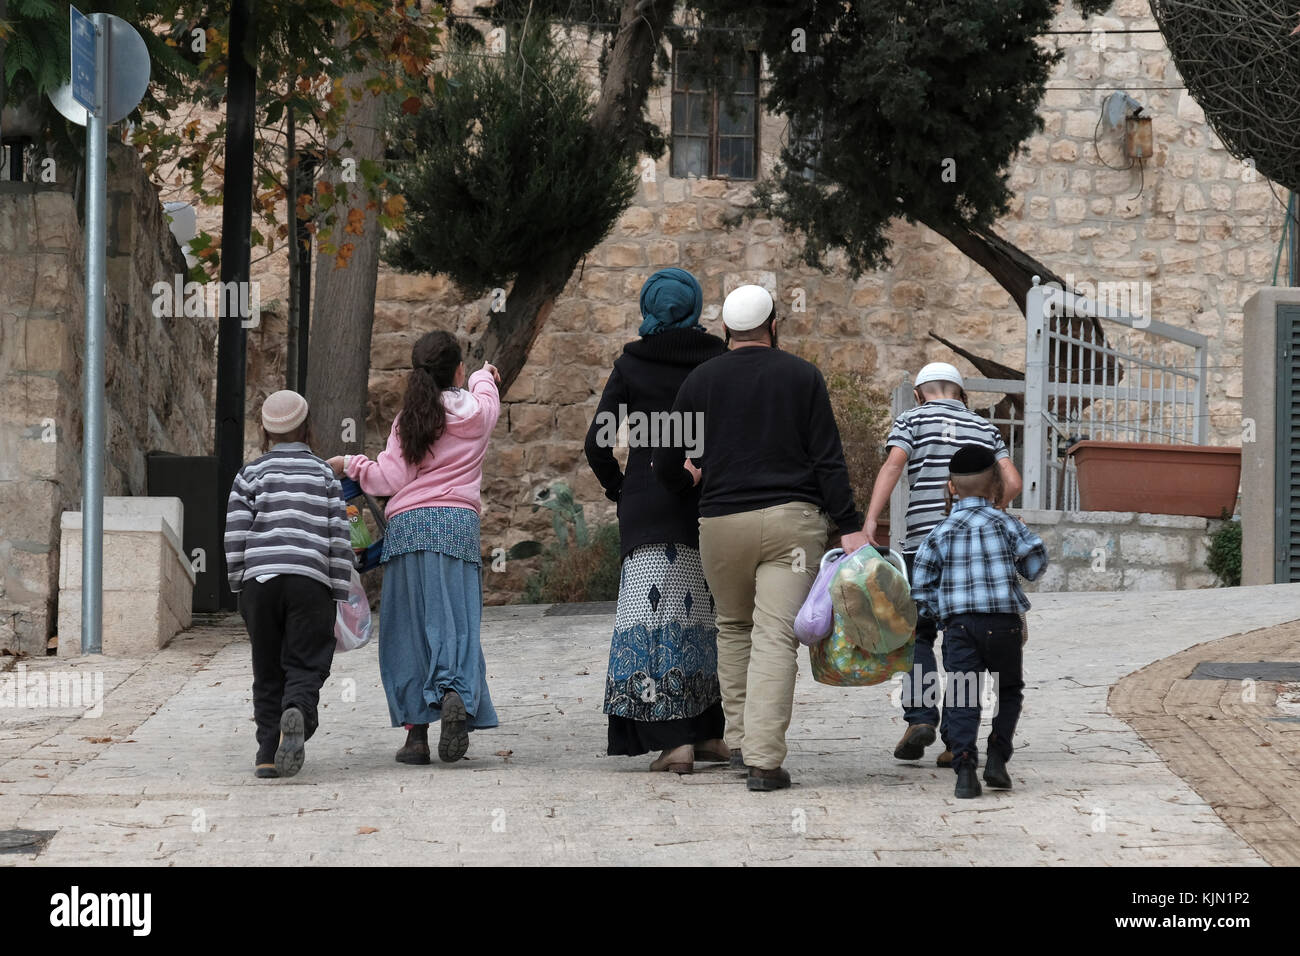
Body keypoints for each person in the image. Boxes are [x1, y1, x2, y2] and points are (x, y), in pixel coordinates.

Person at [653, 284, 871, 792]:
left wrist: (689, 480)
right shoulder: (802, 377)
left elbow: (666, 461)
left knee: (731, 627)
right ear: (774, 325)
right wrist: (849, 525)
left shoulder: (698, 382)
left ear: (726, 330)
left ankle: (743, 743)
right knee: (775, 635)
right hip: (793, 526)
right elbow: (827, 459)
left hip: (723, 525)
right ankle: (765, 763)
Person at [328, 331, 501, 765]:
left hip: (408, 527)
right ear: (458, 370)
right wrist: (485, 376)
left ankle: (416, 736)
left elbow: (388, 479)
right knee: (455, 623)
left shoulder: (411, 418)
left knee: (407, 630)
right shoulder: (479, 413)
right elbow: (486, 395)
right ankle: (454, 693)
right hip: (458, 526)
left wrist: (350, 464)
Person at [584, 268, 729, 774]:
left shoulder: (633, 362)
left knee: (652, 624)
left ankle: (675, 742)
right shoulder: (718, 359)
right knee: (703, 620)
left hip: (648, 505)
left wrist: (620, 488)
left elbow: (597, 442)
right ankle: (711, 732)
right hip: (709, 504)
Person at [863, 361, 1023, 767]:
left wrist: (869, 522)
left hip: (923, 546)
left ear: (919, 394)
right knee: (963, 639)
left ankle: (920, 717)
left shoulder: (911, 419)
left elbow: (893, 466)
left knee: (916, 635)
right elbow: (1014, 481)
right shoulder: (984, 428)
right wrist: (996, 509)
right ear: (962, 394)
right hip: (971, 551)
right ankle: (956, 742)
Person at [225, 390, 353, 779]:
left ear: (265, 432)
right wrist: (338, 588)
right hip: (309, 582)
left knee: (266, 667)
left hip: (260, 583)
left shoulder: (250, 473)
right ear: (308, 427)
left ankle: (266, 753)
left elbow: (235, 533)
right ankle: (295, 708)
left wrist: (238, 584)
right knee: (306, 659)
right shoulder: (323, 475)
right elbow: (338, 535)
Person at [910, 445, 1048, 798]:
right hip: (1004, 625)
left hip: (960, 628)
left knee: (962, 694)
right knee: (1008, 691)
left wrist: (941, 617)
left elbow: (922, 587)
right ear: (996, 488)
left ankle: (965, 770)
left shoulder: (939, 531)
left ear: (951, 488)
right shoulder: (1006, 524)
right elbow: (1033, 567)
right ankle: (998, 757)